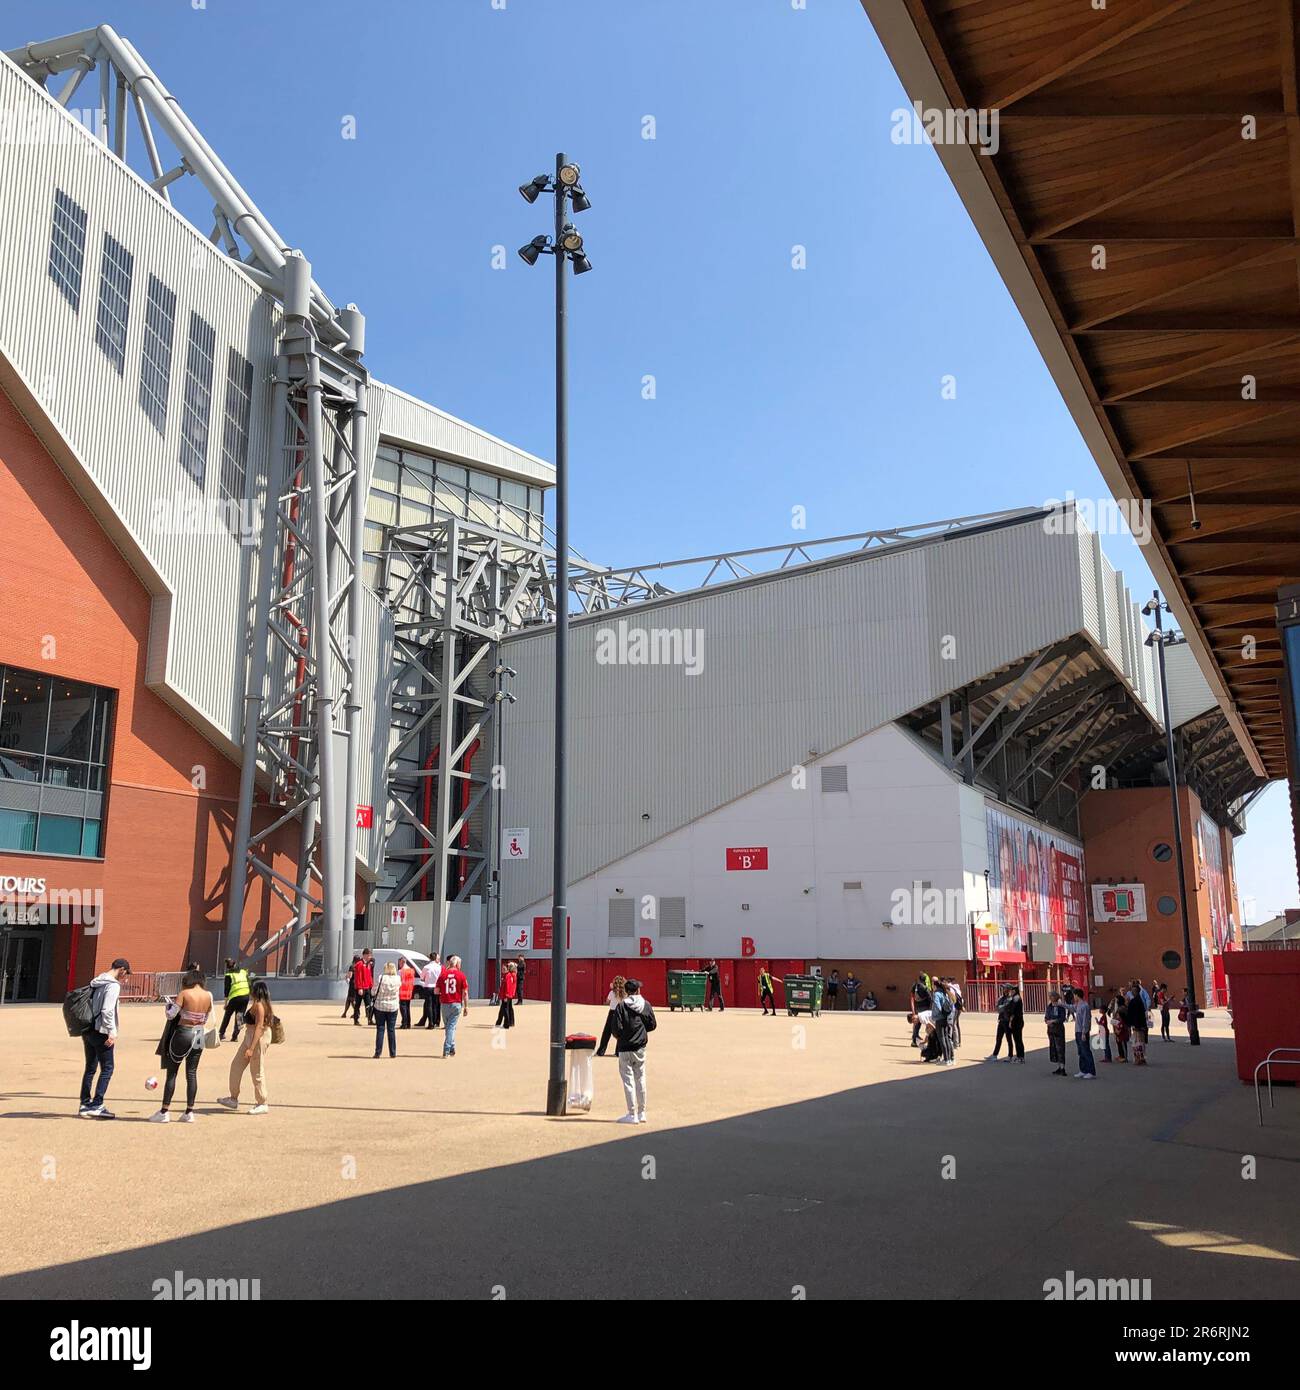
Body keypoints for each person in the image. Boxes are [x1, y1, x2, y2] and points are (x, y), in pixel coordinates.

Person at [150, 967, 213, 1123]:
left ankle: (164, 1111)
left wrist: (168, 1007)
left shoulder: (184, 994)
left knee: (172, 1072)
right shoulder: (208, 996)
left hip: (184, 1031)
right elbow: (205, 1018)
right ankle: (189, 1111)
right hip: (199, 1033)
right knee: (192, 1073)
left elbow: (171, 1015)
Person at [78, 958, 131, 1119]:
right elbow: (107, 1010)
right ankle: (97, 1104)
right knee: (107, 1068)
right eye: (126, 973)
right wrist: (112, 1032)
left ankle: (85, 1103)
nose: (125, 977)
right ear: (121, 969)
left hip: (88, 1028)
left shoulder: (97, 981)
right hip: (101, 1031)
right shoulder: (113, 985)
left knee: (90, 1067)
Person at [220, 979, 275, 1114]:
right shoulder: (257, 1004)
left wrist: (251, 1048)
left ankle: (262, 1102)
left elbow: (259, 1028)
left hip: (257, 1039)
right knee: (236, 1065)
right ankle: (233, 1097)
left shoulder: (260, 1006)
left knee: (256, 1070)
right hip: (249, 1036)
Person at [610, 977, 657, 1123]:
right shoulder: (646, 1005)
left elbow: (615, 1029)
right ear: (638, 990)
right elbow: (652, 1024)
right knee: (640, 1079)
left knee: (628, 1081)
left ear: (626, 991)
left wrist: (621, 1037)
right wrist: (642, 1031)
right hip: (640, 1047)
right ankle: (642, 1112)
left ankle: (631, 1114)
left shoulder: (621, 1006)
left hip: (624, 1047)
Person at [439, 954, 470, 1057]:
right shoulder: (461, 975)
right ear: (456, 964)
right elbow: (465, 993)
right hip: (456, 1003)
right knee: (451, 1027)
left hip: (444, 1003)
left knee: (449, 1027)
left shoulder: (443, 975)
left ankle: (451, 1047)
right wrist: (466, 1006)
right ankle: (447, 1048)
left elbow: (436, 990)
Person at [371, 962, 400, 1058]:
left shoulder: (381, 978)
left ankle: (378, 1052)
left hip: (380, 1006)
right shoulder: (397, 979)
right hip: (393, 1007)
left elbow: (373, 992)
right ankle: (393, 1052)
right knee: (391, 1030)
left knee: (380, 1029)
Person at [219, 957, 250, 1043]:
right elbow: (249, 983)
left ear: (227, 967)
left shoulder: (229, 975)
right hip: (245, 996)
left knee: (228, 1015)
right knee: (240, 1015)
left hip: (235, 997)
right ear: (235, 964)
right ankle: (235, 1036)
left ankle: (221, 1033)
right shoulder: (244, 972)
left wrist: (225, 1003)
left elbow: (227, 990)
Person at [1068, 988, 1095, 1078]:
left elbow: (1086, 1020)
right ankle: (1083, 1070)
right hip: (1077, 1031)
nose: (1073, 997)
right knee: (1080, 1051)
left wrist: (1084, 1032)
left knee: (1086, 1050)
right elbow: (1072, 1008)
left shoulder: (1085, 1006)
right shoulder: (1078, 1005)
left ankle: (1091, 1071)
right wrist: (1062, 1005)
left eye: (1074, 995)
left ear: (1077, 995)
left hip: (1082, 1031)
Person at [597, 975, 626, 1055]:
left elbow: (607, 1002)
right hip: (622, 1013)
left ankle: (601, 1051)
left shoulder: (612, 992)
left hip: (612, 1012)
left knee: (607, 1032)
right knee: (620, 1032)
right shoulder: (625, 993)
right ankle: (618, 1052)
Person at [931, 980, 955, 1066]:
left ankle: (946, 1059)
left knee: (942, 1039)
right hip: (946, 1017)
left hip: (940, 1018)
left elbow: (937, 1005)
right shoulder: (945, 993)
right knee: (947, 1038)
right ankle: (950, 1058)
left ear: (935, 986)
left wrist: (937, 1014)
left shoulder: (937, 994)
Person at [1044, 991, 1068, 1076]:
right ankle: (1058, 1066)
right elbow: (1046, 1017)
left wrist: (1054, 1021)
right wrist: (1047, 1021)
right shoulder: (1049, 1007)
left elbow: (1062, 1018)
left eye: (1051, 996)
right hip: (1051, 1029)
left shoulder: (1060, 1007)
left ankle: (1063, 1067)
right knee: (1053, 1048)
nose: (1050, 998)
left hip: (1058, 1029)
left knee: (1060, 1048)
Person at [1125, 983, 1149, 1066]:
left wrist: (1131, 1024)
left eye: (1134, 990)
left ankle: (1138, 1058)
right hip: (1140, 1024)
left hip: (1137, 1025)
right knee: (1140, 1041)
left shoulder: (1134, 1001)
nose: (1133, 992)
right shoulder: (1140, 1001)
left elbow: (1132, 1014)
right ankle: (1142, 1058)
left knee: (1137, 1042)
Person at [350, 949, 374, 1026]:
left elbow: (369, 976)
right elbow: (358, 977)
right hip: (361, 988)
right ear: (365, 955)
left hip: (367, 987)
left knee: (369, 1004)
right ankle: (356, 1020)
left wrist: (371, 985)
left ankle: (370, 1019)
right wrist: (360, 987)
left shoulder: (368, 964)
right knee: (358, 1004)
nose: (370, 957)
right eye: (369, 955)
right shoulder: (360, 964)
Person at [987, 986, 1011, 1060]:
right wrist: (1000, 1007)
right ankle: (995, 1054)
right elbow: (997, 1008)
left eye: (1005, 989)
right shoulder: (1002, 998)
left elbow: (1004, 1008)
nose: (1004, 990)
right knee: (998, 1038)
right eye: (1003, 989)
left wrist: (1001, 1007)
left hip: (1007, 1021)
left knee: (1009, 1039)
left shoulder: (1010, 999)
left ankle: (1010, 1055)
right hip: (1001, 1020)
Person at [420, 954, 442, 1028]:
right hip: (436, 987)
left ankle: (431, 1022)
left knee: (428, 1005)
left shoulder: (426, 967)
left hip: (428, 986)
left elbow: (422, 977)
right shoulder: (439, 967)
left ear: (430, 958)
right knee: (435, 1005)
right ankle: (435, 1021)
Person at [1005, 985, 1025, 1063]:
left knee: (1018, 1040)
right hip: (1018, 1021)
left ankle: (1020, 1057)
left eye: (1013, 991)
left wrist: (1010, 1021)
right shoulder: (1016, 998)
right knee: (1017, 1040)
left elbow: (1013, 1011)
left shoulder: (1016, 998)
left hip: (1017, 1022)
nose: (1011, 992)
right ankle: (1019, 1056)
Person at [495, 961, 518, 1029]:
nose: (502, 970)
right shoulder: (508, 975)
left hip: (506, 995)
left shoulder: (508, 976)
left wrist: (507, 995)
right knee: (505, 1008)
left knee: (505, 1009)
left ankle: (507, 1023)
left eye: (504, 969)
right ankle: (500, 1022)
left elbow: (508, 986)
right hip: (507, 995)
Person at [911, 975, 932, 1046]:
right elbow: (930, 998)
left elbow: (912, 997)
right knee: (928, 1025)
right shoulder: (925, 988)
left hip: (917, 1007)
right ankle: (929, 1040)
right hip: (925, 1008)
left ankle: (914, 1039)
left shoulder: (915, 986)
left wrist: (913, 1009)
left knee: (917, 1025)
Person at [397, 956, 417, 1029]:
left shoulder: (400, 971)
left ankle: (404, 1023)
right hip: (409, 991)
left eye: (399, 963)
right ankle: (408, 1023)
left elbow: (398, 981)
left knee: (403, 1008)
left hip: (402, 991)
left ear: (402, 962)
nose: (399, 965)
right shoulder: (412, 970)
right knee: (408, 1008)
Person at [947, 978, 964, 1046]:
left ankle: (955, 1042)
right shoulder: (957, 988)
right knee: (956, 1024)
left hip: (955, 1008)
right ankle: (958, 1041)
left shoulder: (950, 988)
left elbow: (952, 999)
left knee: (953, 1025)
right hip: (959, 1007)